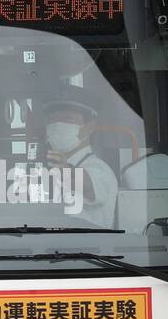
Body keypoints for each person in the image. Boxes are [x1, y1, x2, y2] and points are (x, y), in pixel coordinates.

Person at [42, 88, 118, 226]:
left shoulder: (100, 169)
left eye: (67, 118)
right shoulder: (47, 169)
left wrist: (65, 170)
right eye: (52, 119)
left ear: (90, 126)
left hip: (90, 247)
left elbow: (85, 184)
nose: (58, 125)